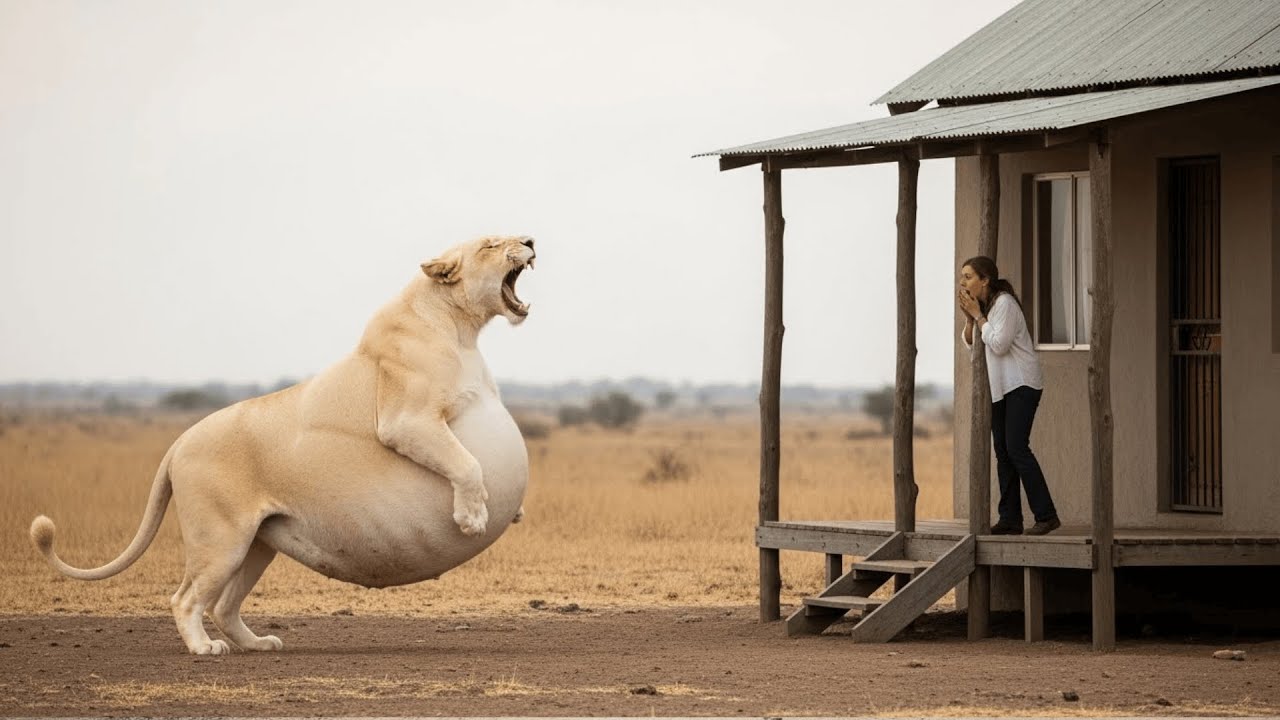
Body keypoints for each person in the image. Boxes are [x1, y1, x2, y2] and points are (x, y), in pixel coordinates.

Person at [957, 256, 1060, 536]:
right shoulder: (986, 308)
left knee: (1016, 447)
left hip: (1023, 384)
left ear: (985, 279)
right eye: (961, 277)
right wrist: (971, 318)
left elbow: (999, 344)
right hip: (1002, 389)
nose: (963, 282)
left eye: (968, 276)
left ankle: (1046, 515)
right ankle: (1010, 519)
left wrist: (979, 317)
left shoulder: (1004, 304)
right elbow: (972, 346)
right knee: (1003, 452)